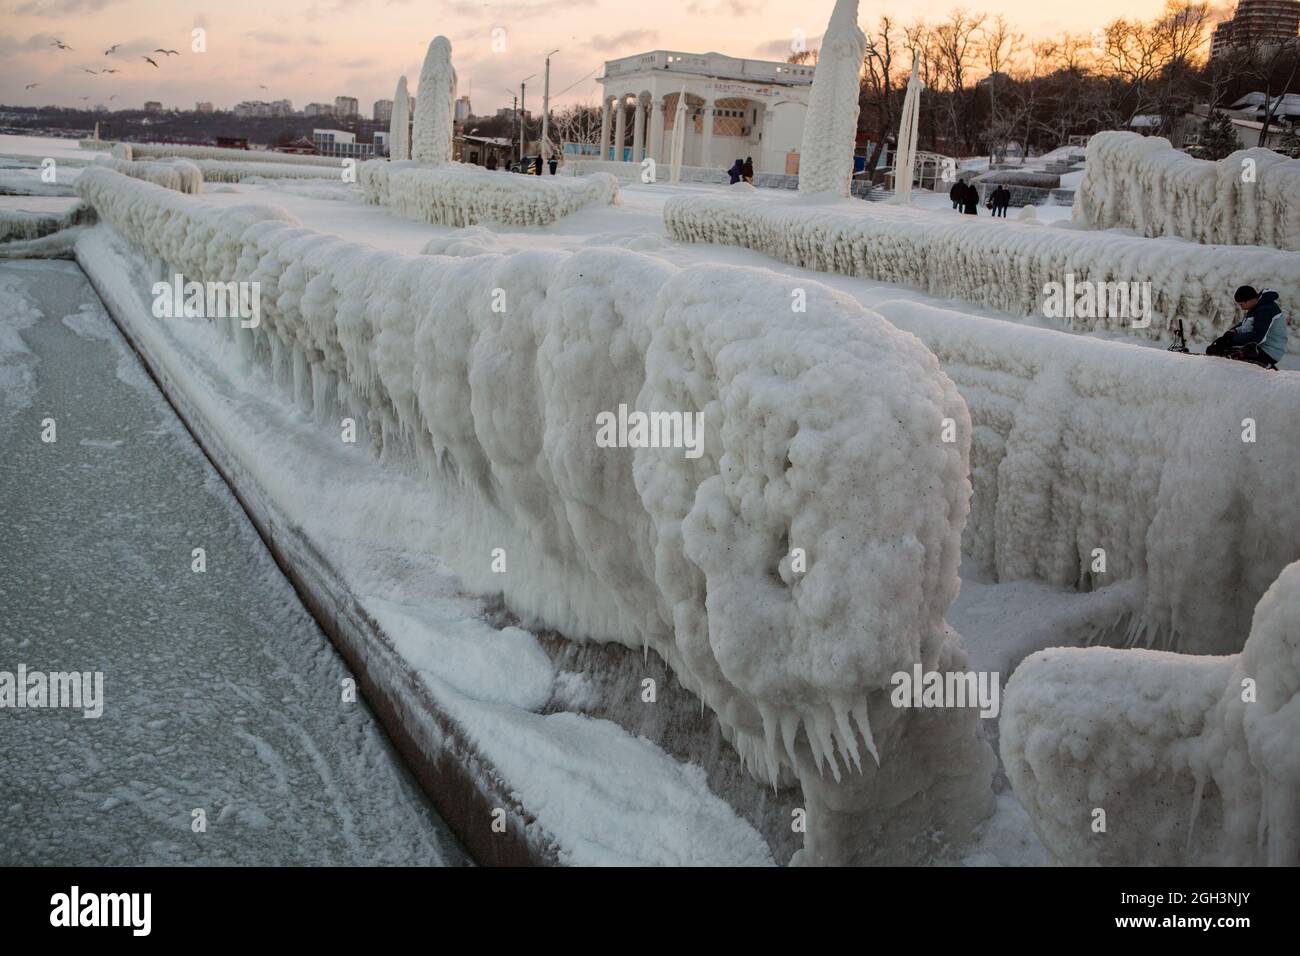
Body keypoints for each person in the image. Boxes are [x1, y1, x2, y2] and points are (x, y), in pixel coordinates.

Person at [1206, 286, 1287, 368]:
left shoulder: (1265, 310)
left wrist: (1232, 339)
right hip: (1258, 347)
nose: (1241, 307)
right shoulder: (1257, 306)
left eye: (1241, 304)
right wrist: (1232, 332)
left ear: (1249, 300)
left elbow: (1257, 337)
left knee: (1232, 355)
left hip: (1270, 351)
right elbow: (1246, 325)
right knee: (1221, 349)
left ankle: (1266, 365)